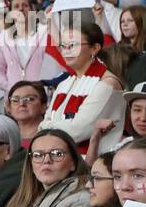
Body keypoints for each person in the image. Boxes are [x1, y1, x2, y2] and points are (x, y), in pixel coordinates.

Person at [40, 22, 125, 152]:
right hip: (61, 158)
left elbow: (78, 131)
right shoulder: (64, 83)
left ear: (94, 48)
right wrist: (48, 125)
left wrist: (46, 126)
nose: (66, 50)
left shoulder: (107, 83)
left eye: (73, 45)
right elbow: (47, 121)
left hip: (94, 165)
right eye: (63, 45)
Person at [4, 80, 48, 148]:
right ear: (9, 108)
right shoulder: (5, 138)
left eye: (30, 99)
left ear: (43, 106)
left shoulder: (51, 136)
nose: (22, 104)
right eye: (15, 100)